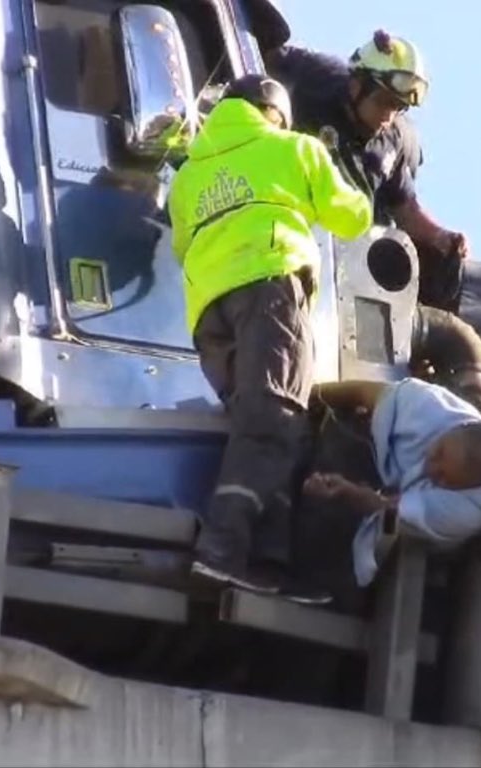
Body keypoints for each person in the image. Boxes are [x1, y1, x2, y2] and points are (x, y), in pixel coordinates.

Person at [168, 74, 373, 600]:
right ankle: (221, 552)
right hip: (269, 288)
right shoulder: (294, 147)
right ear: (274, 111)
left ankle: (269, 563)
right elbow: (351, 219)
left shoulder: (190, 174)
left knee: (281, 431)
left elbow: (182, 245)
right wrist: (357, 182)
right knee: (274, 420)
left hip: (209, 312)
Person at [265, 31, 470, 315]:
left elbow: (405, 208)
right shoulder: (314, 78)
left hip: (355, 256)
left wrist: (441, 237)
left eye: (398, 107)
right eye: (384, 102)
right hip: (291, 237)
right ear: (356, 85)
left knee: (443, 257)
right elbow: (261, 46)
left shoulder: (396, 138)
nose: (388, 116)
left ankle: (424, 345)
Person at [303, 378, 481, 587]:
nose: (432, 468)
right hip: (373, 454)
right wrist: (310, 394)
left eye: (443, 478)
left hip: (399, 529)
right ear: (458, 427)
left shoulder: (465, 513)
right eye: (439, 453)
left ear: (468, 487)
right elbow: (366, 393)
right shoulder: (432, 408)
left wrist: (348, 492)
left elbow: (391, 513)